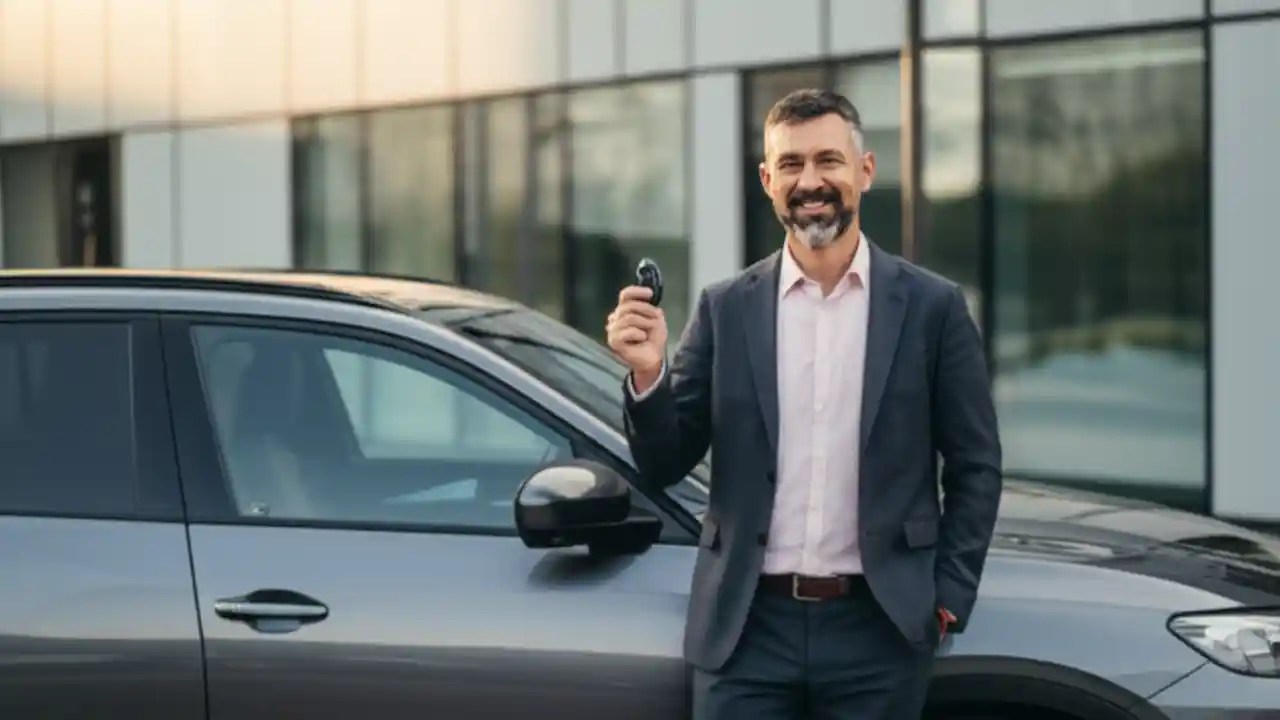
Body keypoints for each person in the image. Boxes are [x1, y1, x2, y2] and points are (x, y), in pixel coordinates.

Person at [605, 88, 1003, 719]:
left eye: (828, 161)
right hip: (746, 634)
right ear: (767, 180)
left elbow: (976, 464)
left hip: (879, 633)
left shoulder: (934, 309)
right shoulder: (725, 308)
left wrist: (949, 593)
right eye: (791, 165)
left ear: (864, 171)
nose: (810, 181)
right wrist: (649, 375)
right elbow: (663, 464)